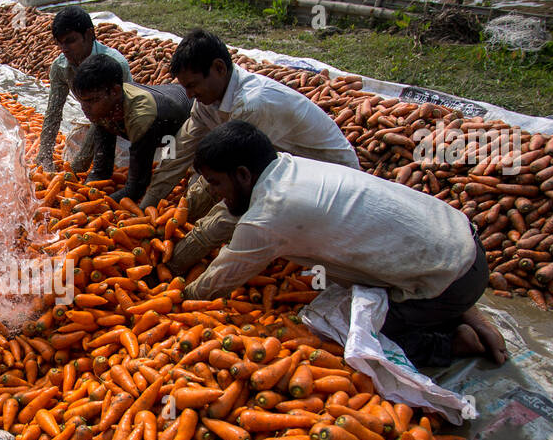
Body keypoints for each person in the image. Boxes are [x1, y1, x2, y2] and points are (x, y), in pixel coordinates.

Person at [184, 121, 506, 367]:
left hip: (451, 280)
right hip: (463, 245)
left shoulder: (269, 215)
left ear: (242, 174)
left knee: (335, 331)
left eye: (215, 183)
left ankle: (452, 344)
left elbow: (219, 280)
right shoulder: (289, 166)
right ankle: (465, 311)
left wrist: (179, 297)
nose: (214, 193)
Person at [148, 30, 360, 277]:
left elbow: (240, 193)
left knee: (225, 196)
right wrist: (148, 215)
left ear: (219, 68)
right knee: (204, 183)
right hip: (278, 165)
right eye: (185, 88)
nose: (190, 95)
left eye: (193, 85)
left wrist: (173, 262)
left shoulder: (252, 104)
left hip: (329, 183)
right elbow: (179, 152)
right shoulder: (208, 101)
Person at [70, 53, 192, 202]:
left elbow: (136, 188)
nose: (85, 109)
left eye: (90, 101)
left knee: (173, 165)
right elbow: (102, 170)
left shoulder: (142, 117)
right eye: (81, 102)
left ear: (114, 91)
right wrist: (82, 192)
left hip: (184, 119)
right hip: (168, 93)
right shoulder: (104, 105)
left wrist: (100, 203)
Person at [36, 6, 134, 174]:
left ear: (88, 35)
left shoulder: (115, 64)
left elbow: (106, 116)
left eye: (70, 41)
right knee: (72, 143)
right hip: (95, 119)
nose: (64, 49)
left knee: (123, 162)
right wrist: (44, 156)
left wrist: (79, 166)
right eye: (60, 43)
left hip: (123, 122)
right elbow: (53, 112)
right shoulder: (61, 67)